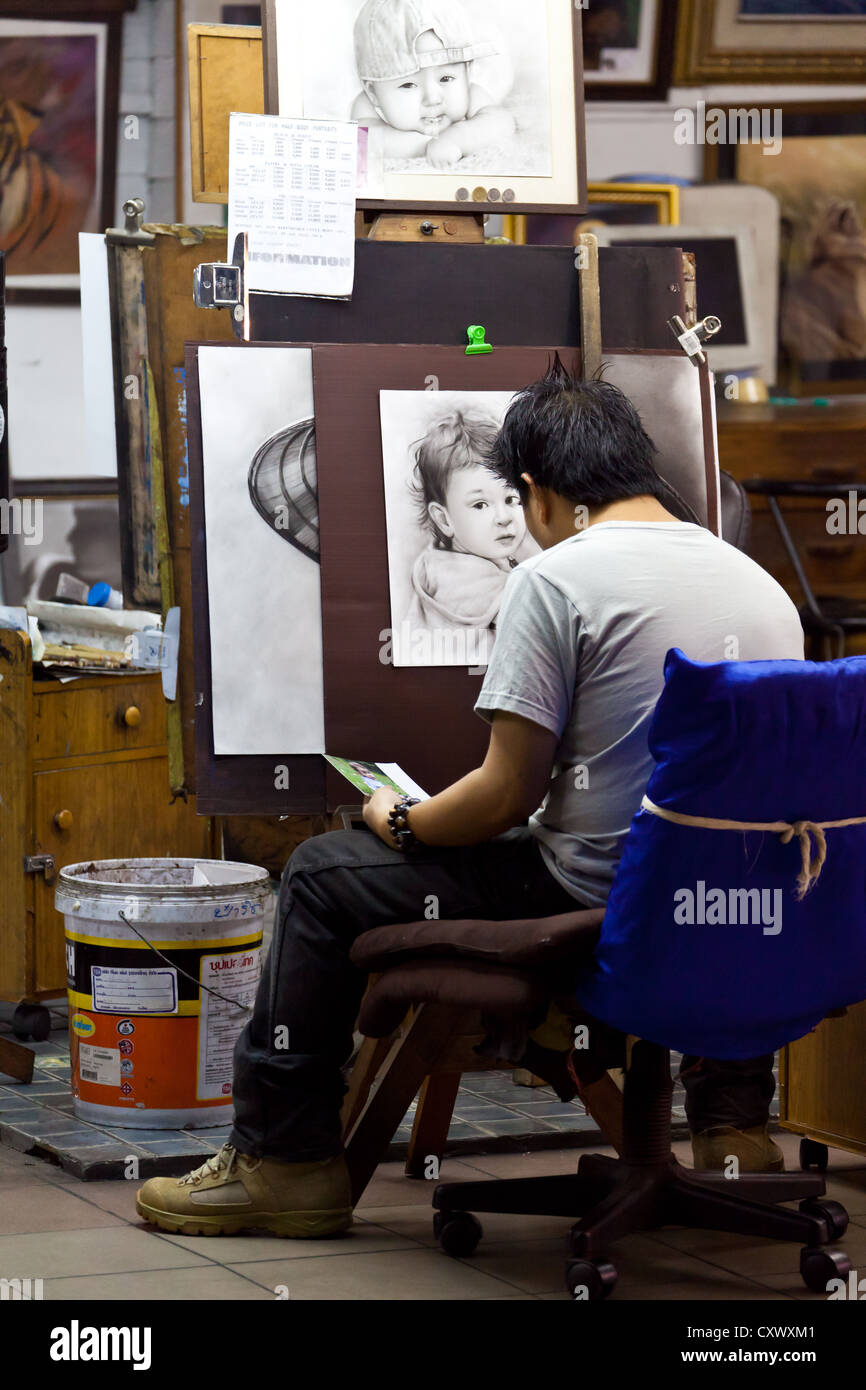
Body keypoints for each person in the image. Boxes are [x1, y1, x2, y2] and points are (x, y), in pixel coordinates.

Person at [136, 361, 805, 1238]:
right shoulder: (758, 587)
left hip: (598, 897)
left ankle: (285, 1161)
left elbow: (502, 795)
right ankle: (736, 1126)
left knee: (317, 873)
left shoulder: (557, 580)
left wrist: (403, 820)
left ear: (536, 492)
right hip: (747, 904)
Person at [403, 408, 537, 664]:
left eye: (511, 499)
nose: (503, 517)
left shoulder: (438, 562)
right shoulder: (477, 584)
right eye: (480, 505)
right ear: (444, 519)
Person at [350, 0, 515, 169]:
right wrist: (424, 145)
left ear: (467, 73)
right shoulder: (368, 105)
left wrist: (456, 139)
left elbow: (503, 123)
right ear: (373, 93)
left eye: (446, 79)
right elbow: (361, 138)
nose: (432, 98)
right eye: (408, 85)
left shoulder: (471, 94)